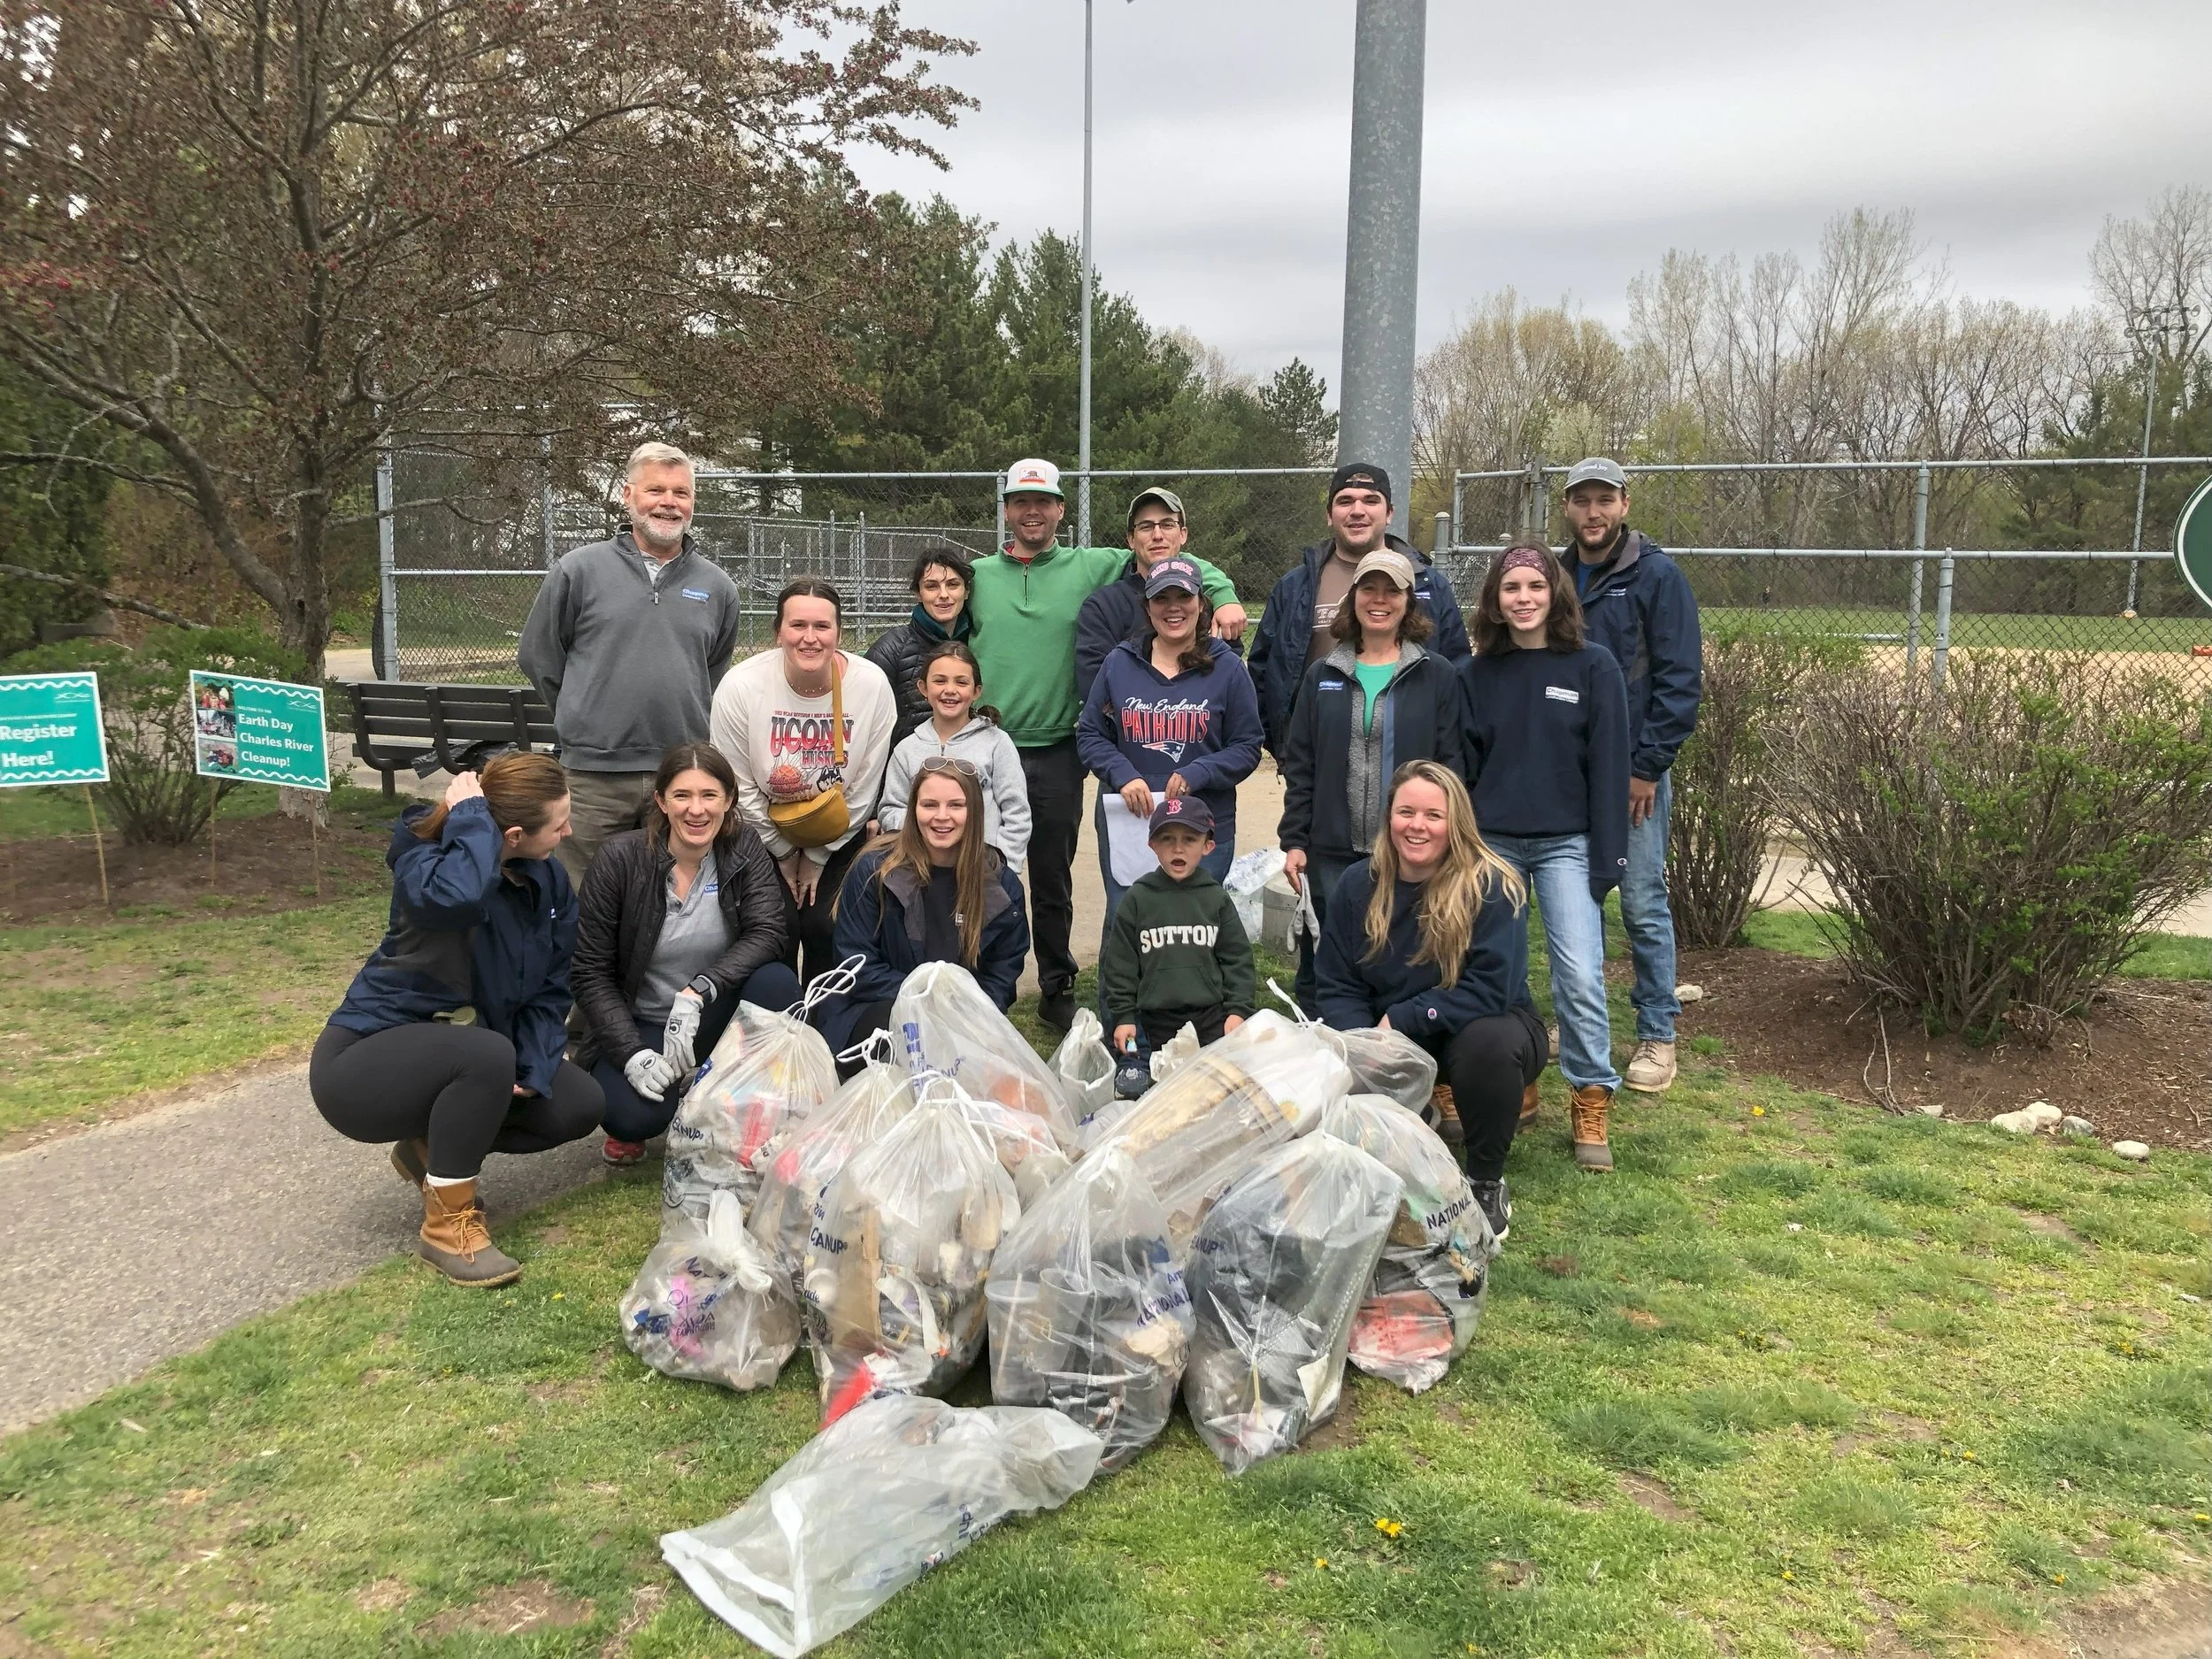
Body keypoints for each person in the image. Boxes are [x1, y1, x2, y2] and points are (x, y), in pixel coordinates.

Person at [969, 457, 1246, 1032]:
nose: (1033, 511)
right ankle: (978, 992)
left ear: (1060, 510)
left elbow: (1174, 567)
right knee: (981, 870)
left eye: (1043, 501)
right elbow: (936, 604)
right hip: (989, 744)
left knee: (1052, 877)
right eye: (1021, 501)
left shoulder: (1089, 564)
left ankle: (1058, 987)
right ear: (1007, 509)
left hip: (1056, 752)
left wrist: (1224, 593)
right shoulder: (978, 575)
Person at [310, 753, 603, 1287]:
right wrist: (469, 818)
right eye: (561, 823)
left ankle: (430, 1146)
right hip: (358, 1067)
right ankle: (448, 1229)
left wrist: (533, 1070)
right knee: (487, 1053)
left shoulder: (548, 881)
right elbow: (459, 898)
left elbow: (550, 987)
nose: (570, 831)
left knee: (578, 1104)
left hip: (465, 1056)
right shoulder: (427, 863)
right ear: (513, 834)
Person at [1314, 760, 1542, 1245]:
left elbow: (1490, 987)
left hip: (1484, 1026)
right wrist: (1364, 1041)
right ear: (1389, 818)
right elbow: (1334, 982)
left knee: (1488, 1044)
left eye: (1433, 816)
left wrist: (1403, 1018)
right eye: (1406, 812)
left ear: (1455, 822)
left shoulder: (1493, 885)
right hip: (1389, 1034)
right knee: (1332, 1056)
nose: (1417, 826)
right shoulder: (1359, 883)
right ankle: (1408, 1135)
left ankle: (1485, 1181)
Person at [1460, 544, 1632, 1172]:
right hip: (1492, 841)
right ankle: (1519, 1075)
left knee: (1580, 975)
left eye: (1536, 585)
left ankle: (1590, 1094)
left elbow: (1611, 768)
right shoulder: (1475, 674)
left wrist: (1607, 858)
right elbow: (1465, 768)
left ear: (1556, 593)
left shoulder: (1594, 667)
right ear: (1495, 600)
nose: (1524, 597)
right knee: (1496, 972)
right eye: (1511, 588)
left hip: (1567, 842)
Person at [519, 442, 743, 881]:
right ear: (628, 495)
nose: (668, 503)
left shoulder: (717, 586)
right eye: (655, 490)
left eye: (681, 493)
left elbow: (711, 670)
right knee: (582, 901)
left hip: (678, 777)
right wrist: (584, 712)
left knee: (666, 901)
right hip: (591, 779)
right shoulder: (577, 571)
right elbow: (540, 658)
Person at [571, 743, 802, 1166]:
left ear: (728, 800)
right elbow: (590, 973)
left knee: (778, 982)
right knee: (634, 1117)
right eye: (682, 796)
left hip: (710, 1012)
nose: (697, 810)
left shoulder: (743, 846)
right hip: (642, 1020)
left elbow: (769, 932)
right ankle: (670, 1086)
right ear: (661, 800)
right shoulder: (620, 859)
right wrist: (631, 1053)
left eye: (709, 795)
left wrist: (700, 989)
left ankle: (737, 1100)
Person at [1557, 457, 1702, 1096]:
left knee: (1642, 901)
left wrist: (1647, 766)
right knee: (1572, 901)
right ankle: (1577, 1021)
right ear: (1567, 508)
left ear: (1625, 503)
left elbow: (1679, 682)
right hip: (1566, 769)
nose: (1594, 512)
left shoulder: (1657, 577)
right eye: (1582, 500)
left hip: (1632, 775)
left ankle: (1657, 1032)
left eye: (1604, 500)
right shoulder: (1555, 576)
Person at [1077, 555, 1263, 1039]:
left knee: (1197, 924)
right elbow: (1090, 735)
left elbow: (1247, 745)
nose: (1174, 608)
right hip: (1132, 819)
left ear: (1202, 605)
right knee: (1129, 921)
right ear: (1148, 605)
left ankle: (1204, 1030)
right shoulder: (1122, 662)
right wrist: (1122, 772)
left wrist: (1202, 770)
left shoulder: (1225, 667)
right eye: (1163, 599)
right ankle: (1123, 1031)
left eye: (1185, 597)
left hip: (1202, 819)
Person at [1278, 547, 1466, 1013]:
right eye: (1369, 588)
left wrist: (1446, 835)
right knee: (1326, 954)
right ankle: (1321, 1043)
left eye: (1392, 591)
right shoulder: (1324, 674)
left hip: (1410, 846)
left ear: (1408, 602)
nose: (1379, 600)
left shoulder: (1435, 674)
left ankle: (1399, 1048)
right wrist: (1295, 838)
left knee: (1407, 952)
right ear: (1353, 597)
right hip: (1333, 846)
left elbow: (1451, 765)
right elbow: (1300, 763)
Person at [711, 578, 896, 987]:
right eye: (797, 626)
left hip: (838, 829)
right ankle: (771, 1029)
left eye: (822, 627)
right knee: (774, 928)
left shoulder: (870, 686)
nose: (810, 638)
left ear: (839, 633)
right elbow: (736, 784)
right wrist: (781, 853)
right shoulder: (741, 687)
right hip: (759, 830)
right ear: (778, 631)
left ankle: (824, 1024)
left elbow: (864, 784)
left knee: (824, 925)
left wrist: (815, 858)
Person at [1248, 462, 1471, 762]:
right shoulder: (1295, 587)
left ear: (1389, 513)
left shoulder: (1428, 585)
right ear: (1329, 515)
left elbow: (1458, 671)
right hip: (1319, 757)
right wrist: (1287, 747)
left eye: (1370, 500)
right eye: (1345, 501)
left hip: (1411, 758)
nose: (1357, 510)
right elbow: (1263, 671)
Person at [814, 760, 1032, 1066]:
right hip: (875, 1009)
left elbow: (1001, 975)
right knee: (916, 1043)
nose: (941, 817)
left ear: (975, 813)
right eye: (929, 805)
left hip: (963, 1016)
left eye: (956, 805)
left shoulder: (1000, 885)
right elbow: (856, 964)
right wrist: (929, 1000)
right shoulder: (875, 870)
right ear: (913, 809)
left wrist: (969, 1016)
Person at [1099, 797, 1256, 1094]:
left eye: (1190, 839)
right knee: (1143, 1093)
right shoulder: (1138, 899)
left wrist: (1238, 1010)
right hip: (1149, 1024)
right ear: (1152, 845)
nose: (1178, 848)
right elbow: (1120, 966)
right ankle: (1133, 1070)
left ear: (1208, 846)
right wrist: (1124, 1018)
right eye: (1167, 839)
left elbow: (1238, 960)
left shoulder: (1215, 899)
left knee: (1214, 1095)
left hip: (1210, 1021)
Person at [1074, 486, 1248, 702]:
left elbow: (1228, 685)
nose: (1158, 535)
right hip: (1125, 732)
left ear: (1182, 534)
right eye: (1146, 527)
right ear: (1131, 539)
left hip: (1202, 731)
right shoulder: (1103, 607)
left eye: (1167, 525)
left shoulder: (1207, 603)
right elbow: (1096, 686)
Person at [877, 641, 1031, 872]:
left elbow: (1016, 812)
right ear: (923, 688)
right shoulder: (906, 750)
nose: (950, 690)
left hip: (981, 870)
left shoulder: (997, 743)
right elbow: (890, 809)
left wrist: (1004, 865)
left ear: (976, 691)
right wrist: (920, 832)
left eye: (961, 682)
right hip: (920, 870)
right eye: (940, 681)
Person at [864, 548, 977, 747]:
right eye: (932, 586)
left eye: (953, 585)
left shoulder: (980, 644)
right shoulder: (890, 650)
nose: (944, 595)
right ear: (918, 593)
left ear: (966, 591)